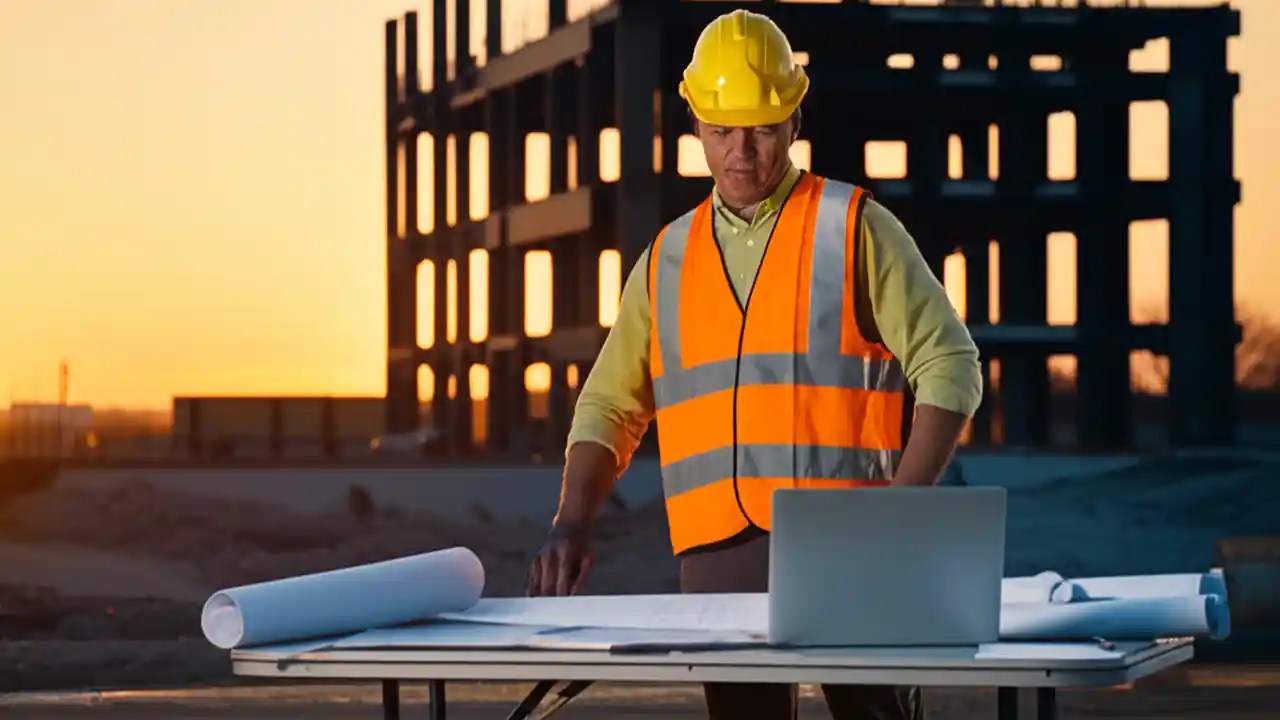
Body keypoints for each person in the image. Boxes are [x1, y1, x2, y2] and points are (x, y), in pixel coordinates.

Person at [526, 8, 983, 720]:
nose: (742, 152)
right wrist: (571, 519)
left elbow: (950, 363)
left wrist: (902, 510)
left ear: (795, 122)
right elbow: (609, 407)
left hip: (848, 555)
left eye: (763, 130)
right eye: (721, 132)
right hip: (715, 563)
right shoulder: (664, 263)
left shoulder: (854, 227)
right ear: (696, 127)